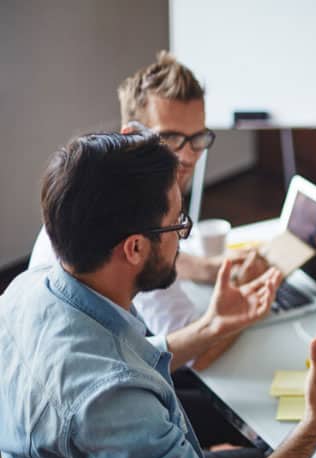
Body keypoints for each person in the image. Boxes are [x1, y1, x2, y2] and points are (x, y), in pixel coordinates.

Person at [0, 132, 316, 458]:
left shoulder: (24, 291)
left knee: (260, 455)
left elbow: (115, 358)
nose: (182, 237)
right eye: (177, 223)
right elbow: (113, 385)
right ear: (134, 248)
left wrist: (213, 326)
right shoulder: (112, 400)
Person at [29, 51, 267, 341]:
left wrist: (209, 269)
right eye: (170, 138)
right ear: (132, 134)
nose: (188, 156)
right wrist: (247, 303)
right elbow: (190, 347)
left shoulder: (95, 185)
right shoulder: (136, 214)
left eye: (198, 138)